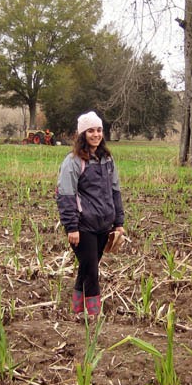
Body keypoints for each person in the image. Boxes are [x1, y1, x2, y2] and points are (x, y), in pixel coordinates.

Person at [56, 111, 125, 320]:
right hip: (83, 226)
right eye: (91, 131)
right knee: (92, 271)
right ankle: (94, 315)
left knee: (87, 268)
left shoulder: (107, 159)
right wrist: (72, 227)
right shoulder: (73, 161)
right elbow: (65, 195)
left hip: (104, 225)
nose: (96, 134)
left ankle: (76, 310)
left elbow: (115, 191)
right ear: (82, 134)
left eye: (99, 130)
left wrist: (118, 222)